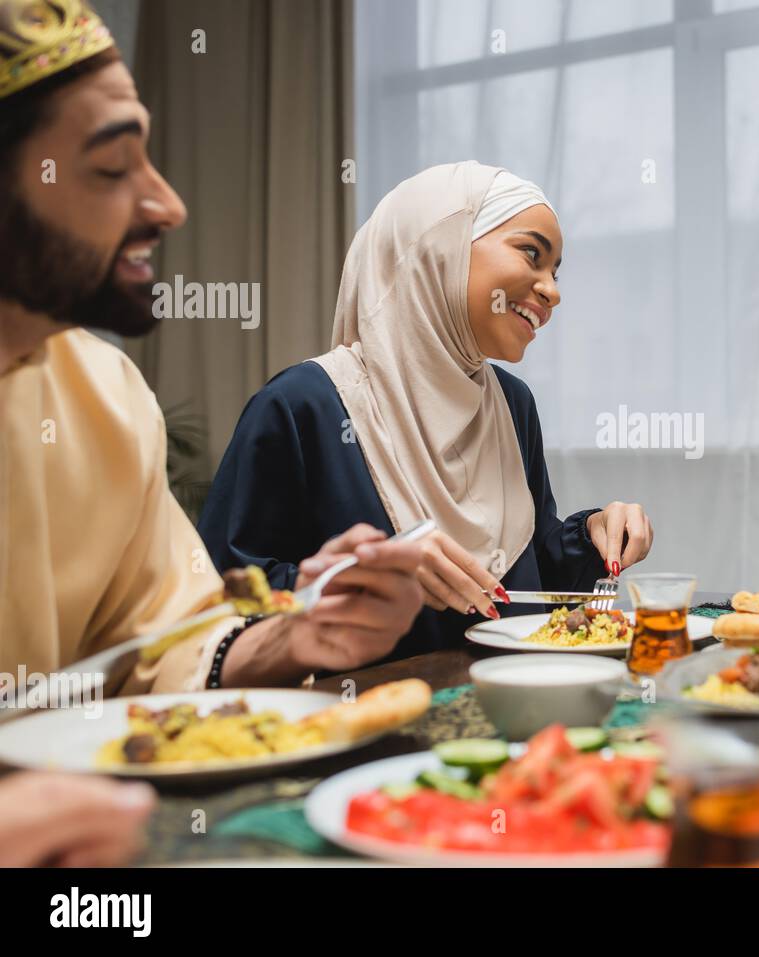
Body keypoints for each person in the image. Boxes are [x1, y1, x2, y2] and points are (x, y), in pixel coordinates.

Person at [0, 0, 423, 864]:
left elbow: (159, 645)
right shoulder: (305, 398)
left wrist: (298, 633)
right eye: (114, 164)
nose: (168, 202)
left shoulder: (104, 394)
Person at [199, 162, 655, 656]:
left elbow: (527, 575)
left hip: (512, 712)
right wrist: (374, 576)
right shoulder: (303, 406)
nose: (553, 290)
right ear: (441, 247)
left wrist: (591, 536)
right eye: (531, 253)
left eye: (555, 270)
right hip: (363, 719)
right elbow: (224, 597)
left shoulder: (512, 404)